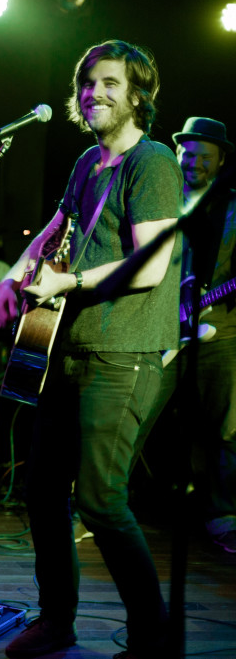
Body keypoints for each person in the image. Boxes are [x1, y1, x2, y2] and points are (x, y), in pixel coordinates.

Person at [0, 40, 183, 659]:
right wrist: (11, 275)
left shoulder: (151, 162)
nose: (91, 93)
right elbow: (55, 228)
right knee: (43, 491)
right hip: (68, 352)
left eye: (107, 83)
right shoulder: (85, 163)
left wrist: (68, 281)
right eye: (85, 83)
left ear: (136, 96)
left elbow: (151, 268)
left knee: (101, 499)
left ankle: (155, 637)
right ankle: (56, 622)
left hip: (124, 352)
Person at [143, 117, 235, 553]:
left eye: (204, 155)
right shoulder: (160, 200)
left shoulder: (233, 209)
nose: (194, 161)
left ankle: (222, 516)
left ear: (220, 161)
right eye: (188, 153)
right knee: (136, 414)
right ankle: (103, 506)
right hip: (160, 331)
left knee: (222, 430)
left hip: (222, 334)